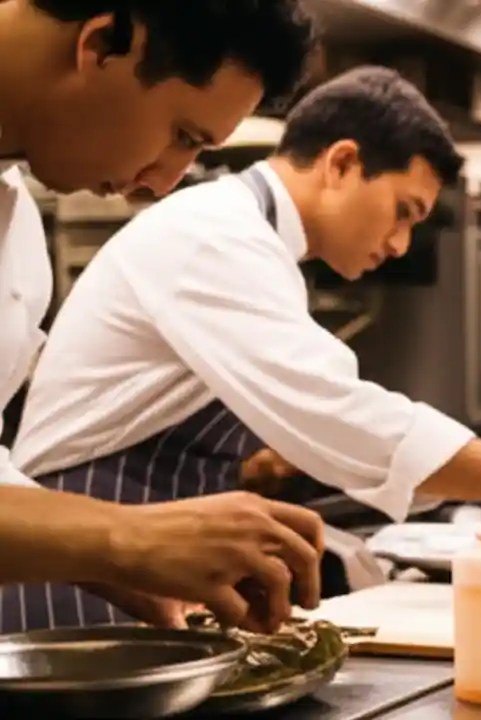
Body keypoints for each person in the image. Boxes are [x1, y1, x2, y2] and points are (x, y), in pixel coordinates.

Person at [4, 66, 481, 633]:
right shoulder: (215, 234)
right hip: (73, 572)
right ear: (344, 163)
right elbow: (347, 421)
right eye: (404, 212)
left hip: (151, 571)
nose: (400, 245)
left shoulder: (252, 243)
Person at [0, 0, 324, 633]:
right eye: (183, 135)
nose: (164, 183)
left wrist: (117, 568)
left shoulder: (18, 238)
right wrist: (126, 538)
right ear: (101, 45)